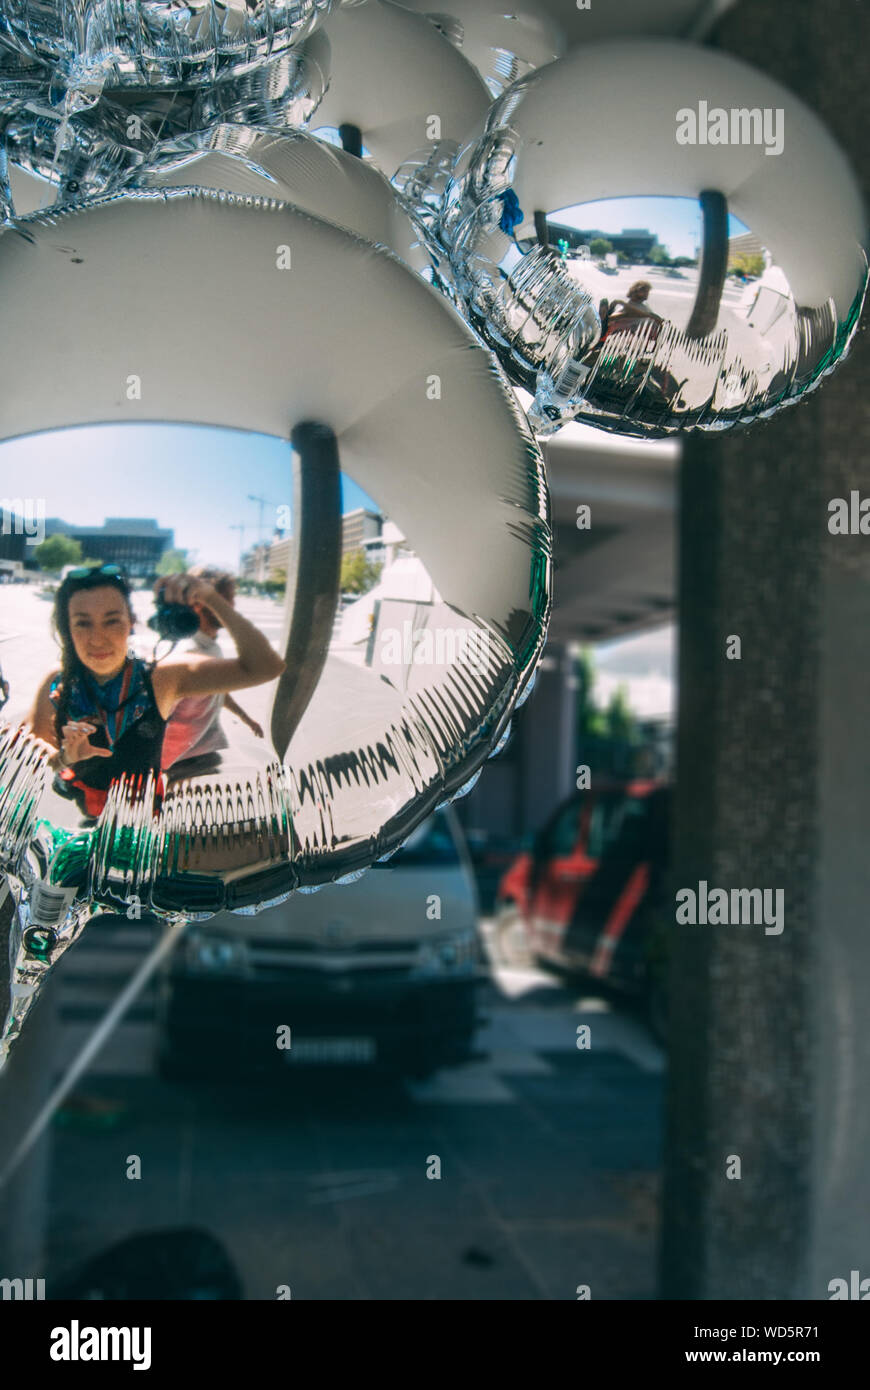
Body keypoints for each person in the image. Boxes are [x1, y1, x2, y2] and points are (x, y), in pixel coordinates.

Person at [25, 564, 285, 819]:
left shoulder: (161, 677)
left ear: (131, 622)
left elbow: (266, 667)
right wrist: (65, 757)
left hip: (143, 818)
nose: (97, 639)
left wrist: (210, 598)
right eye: (83, 623)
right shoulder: (57, 682)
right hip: (82, 807)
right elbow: (36, 752)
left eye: (112, 621)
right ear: (67, 629)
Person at [160, 566, 264, 784]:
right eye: (225, 601)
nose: (232, 607)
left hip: (201, 751)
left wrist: (246, 718)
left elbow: (216, 690)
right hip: (181, 760)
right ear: (198, 605)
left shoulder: (210, 646)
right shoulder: (189, 653)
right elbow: (159, 712)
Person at [598, 280, 663, 345]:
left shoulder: (641, 306)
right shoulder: (629, 306)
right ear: (637, 291)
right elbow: (614, 318)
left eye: (647, 292)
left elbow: (649, 316)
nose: (647, 294)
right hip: (624, 335)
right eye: (645, 291)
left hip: (637, 334)